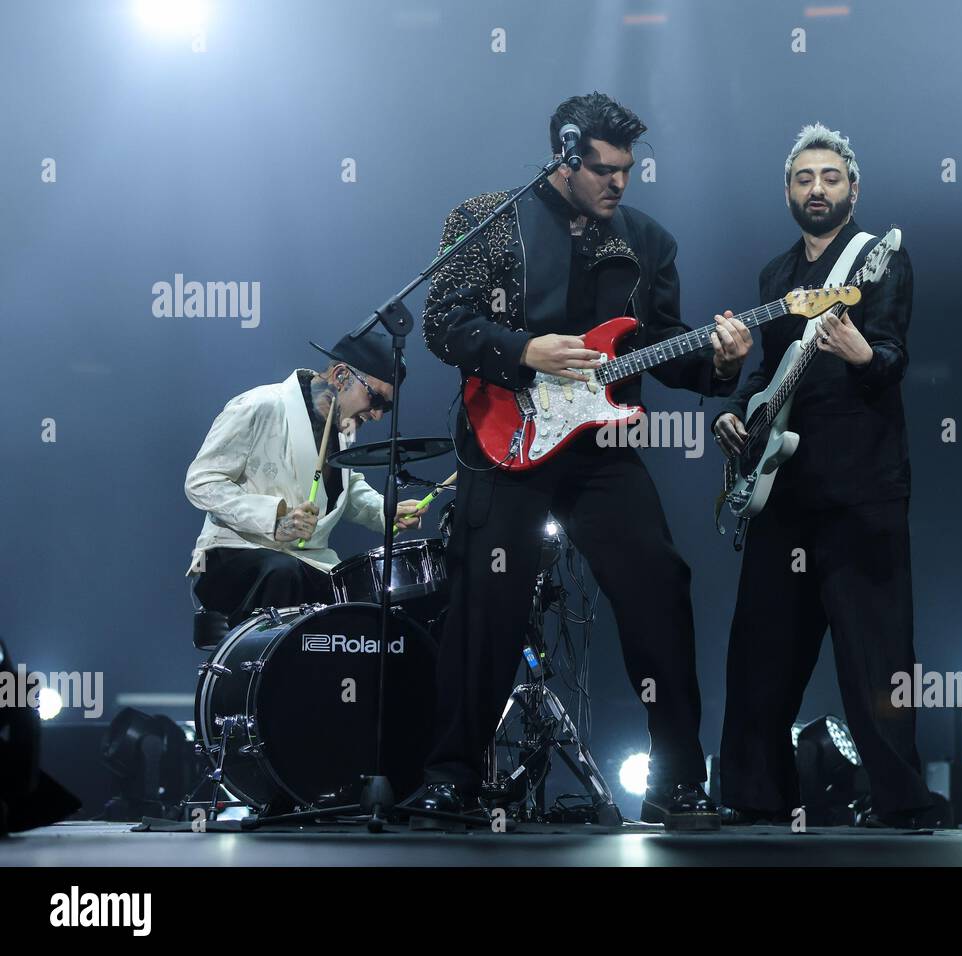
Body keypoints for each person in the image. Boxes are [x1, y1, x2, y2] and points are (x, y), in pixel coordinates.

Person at [410, 92, 752, 830]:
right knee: (484, 606)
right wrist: (521, 351)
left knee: (659, 582)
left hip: (601, 446)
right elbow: (442, 323)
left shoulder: (647, 242)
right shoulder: (488, 219)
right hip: (505, 439)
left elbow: (663, 344)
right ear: (564, 156)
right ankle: (451, 777)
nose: (618, 184)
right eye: (602, 169)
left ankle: (677, 782)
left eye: (627, 170)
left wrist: (720, 364)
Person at [712, 123, 940, 828]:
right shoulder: (775, 278)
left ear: (853, 189)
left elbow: (895, 358)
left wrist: (862, 352)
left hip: (861, 488)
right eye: (804, 178)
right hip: (785, 488)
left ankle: (902, 803)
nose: (817, 188)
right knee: (760, 650)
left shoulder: (880, 262)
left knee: (876, 655)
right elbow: (765, 374)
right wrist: (735, 412)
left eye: (830, 178)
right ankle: (753, 797)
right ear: (788, 191)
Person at [185, 326, 430, 626]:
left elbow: (345, 490)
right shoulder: (260, 405)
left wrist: (386, 512)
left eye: (386, 408)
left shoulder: (342, 426)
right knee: (284, 574)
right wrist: (274, 520)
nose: (377, 415)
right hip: (233, 553)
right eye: (375, 399)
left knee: (366, 597)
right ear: (341, 376)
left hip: (307, 561)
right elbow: (201, 481)